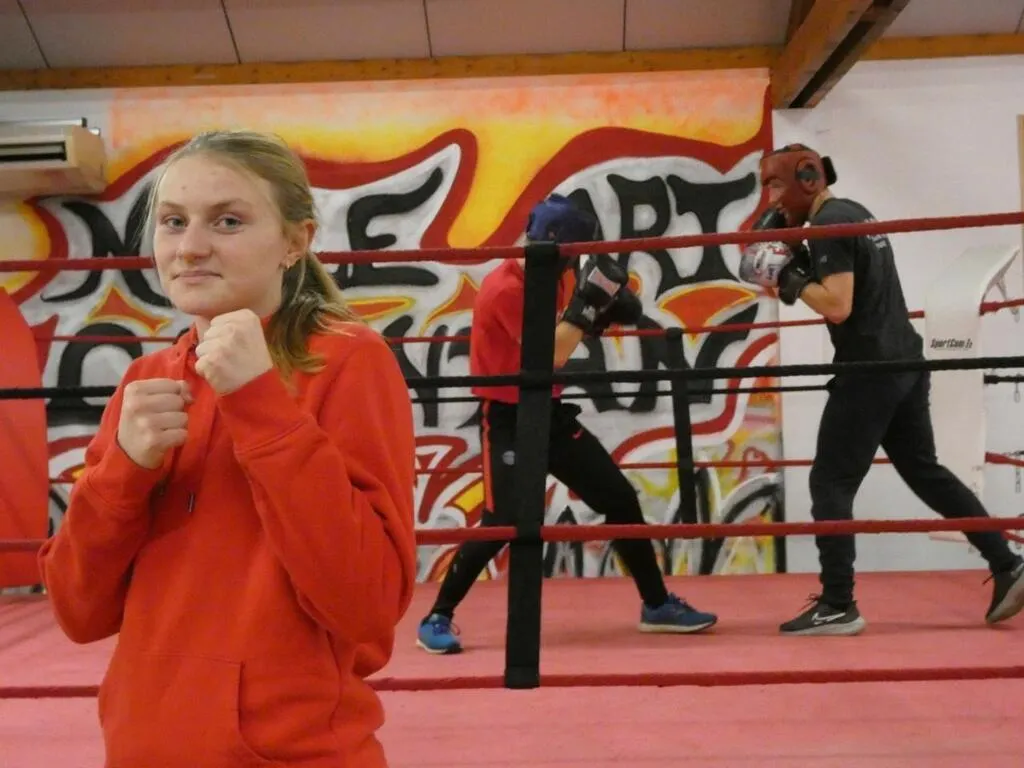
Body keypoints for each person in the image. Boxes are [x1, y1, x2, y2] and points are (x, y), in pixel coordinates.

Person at [37, 130, 418, 766]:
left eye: (229, 220)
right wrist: (121, 476)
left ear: (295, 242)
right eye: (173, 222)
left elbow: (366, 604)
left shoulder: (349, 362)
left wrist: (262, 407)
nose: (190, 248)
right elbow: (77, 610)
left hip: (290, 754)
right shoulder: (145, 382)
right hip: (140, 747)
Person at [416, 193, 718, 654]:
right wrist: (587, 309)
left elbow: (567, 329)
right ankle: (438, 615)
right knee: (503, 520)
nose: (581, 258)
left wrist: (601, 314)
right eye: (577, 248)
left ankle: (656, 605)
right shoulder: (506, 289)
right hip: (508, 417)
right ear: (558, 243)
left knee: (618, 497)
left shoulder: (559, 272)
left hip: (550, 413)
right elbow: (550, 352)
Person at [745, 143, 1024, 636]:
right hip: (904, 360)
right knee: (923, 469)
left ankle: (837, 604)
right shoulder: (853, 213)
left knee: (830, 482)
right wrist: (796, 269)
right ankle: (1006, 562)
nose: (770, 196)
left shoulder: (828, 223)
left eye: (773, 183)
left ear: (805, 178)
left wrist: (789, 274)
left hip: (870, 367)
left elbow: (838, 305)